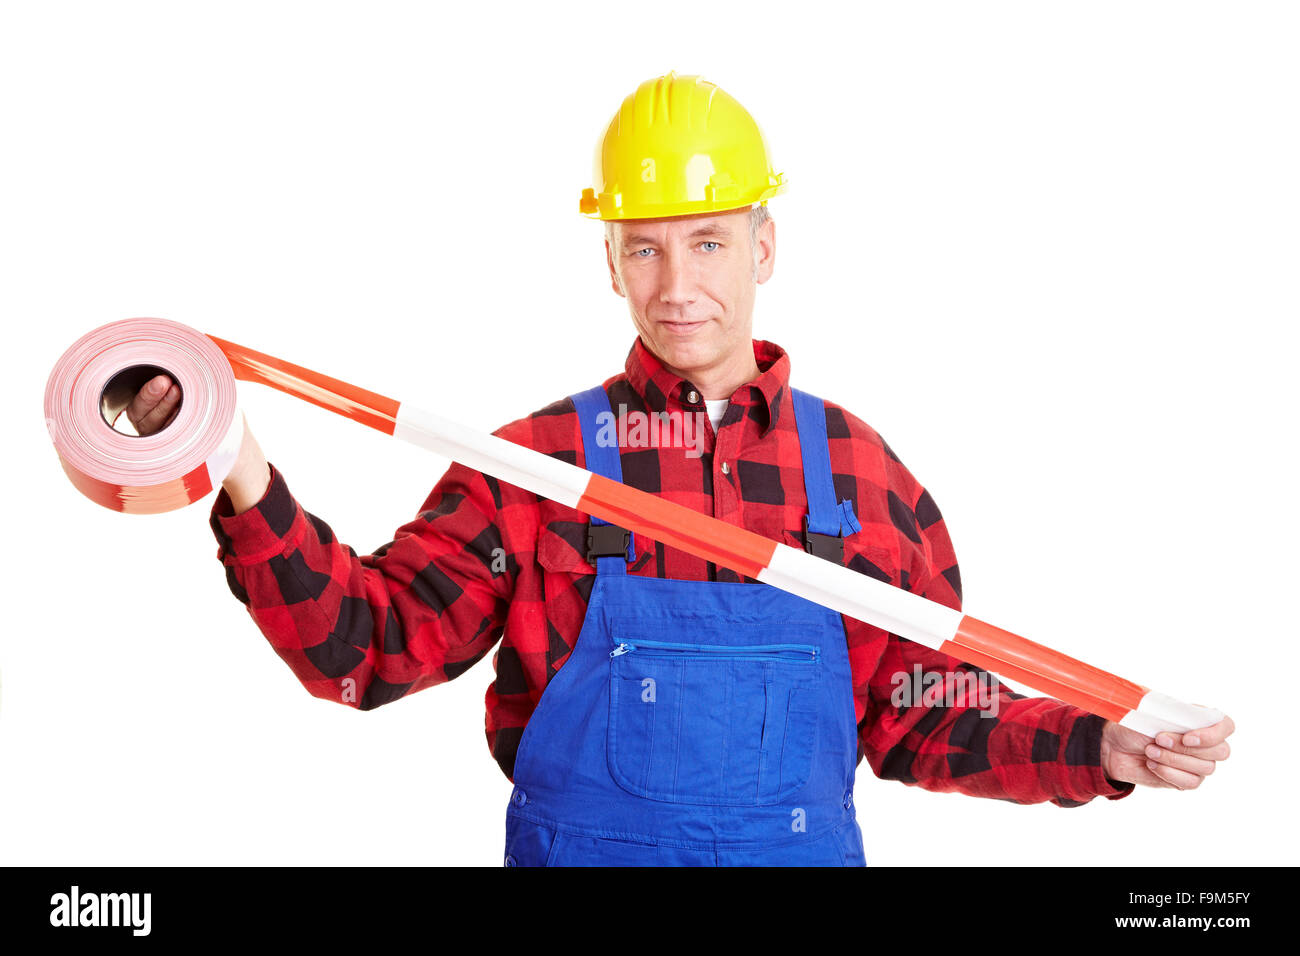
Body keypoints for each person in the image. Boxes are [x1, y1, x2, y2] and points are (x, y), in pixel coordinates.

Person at [125, 72, 1233, 865]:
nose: (676, 285)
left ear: (763, 246)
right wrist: (238, 463)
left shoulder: (858, 472)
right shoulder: (533, 465)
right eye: (644, 246)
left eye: (705, 241)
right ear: (608, 260)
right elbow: (362, 649)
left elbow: (921, 711)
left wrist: (1103, 745)